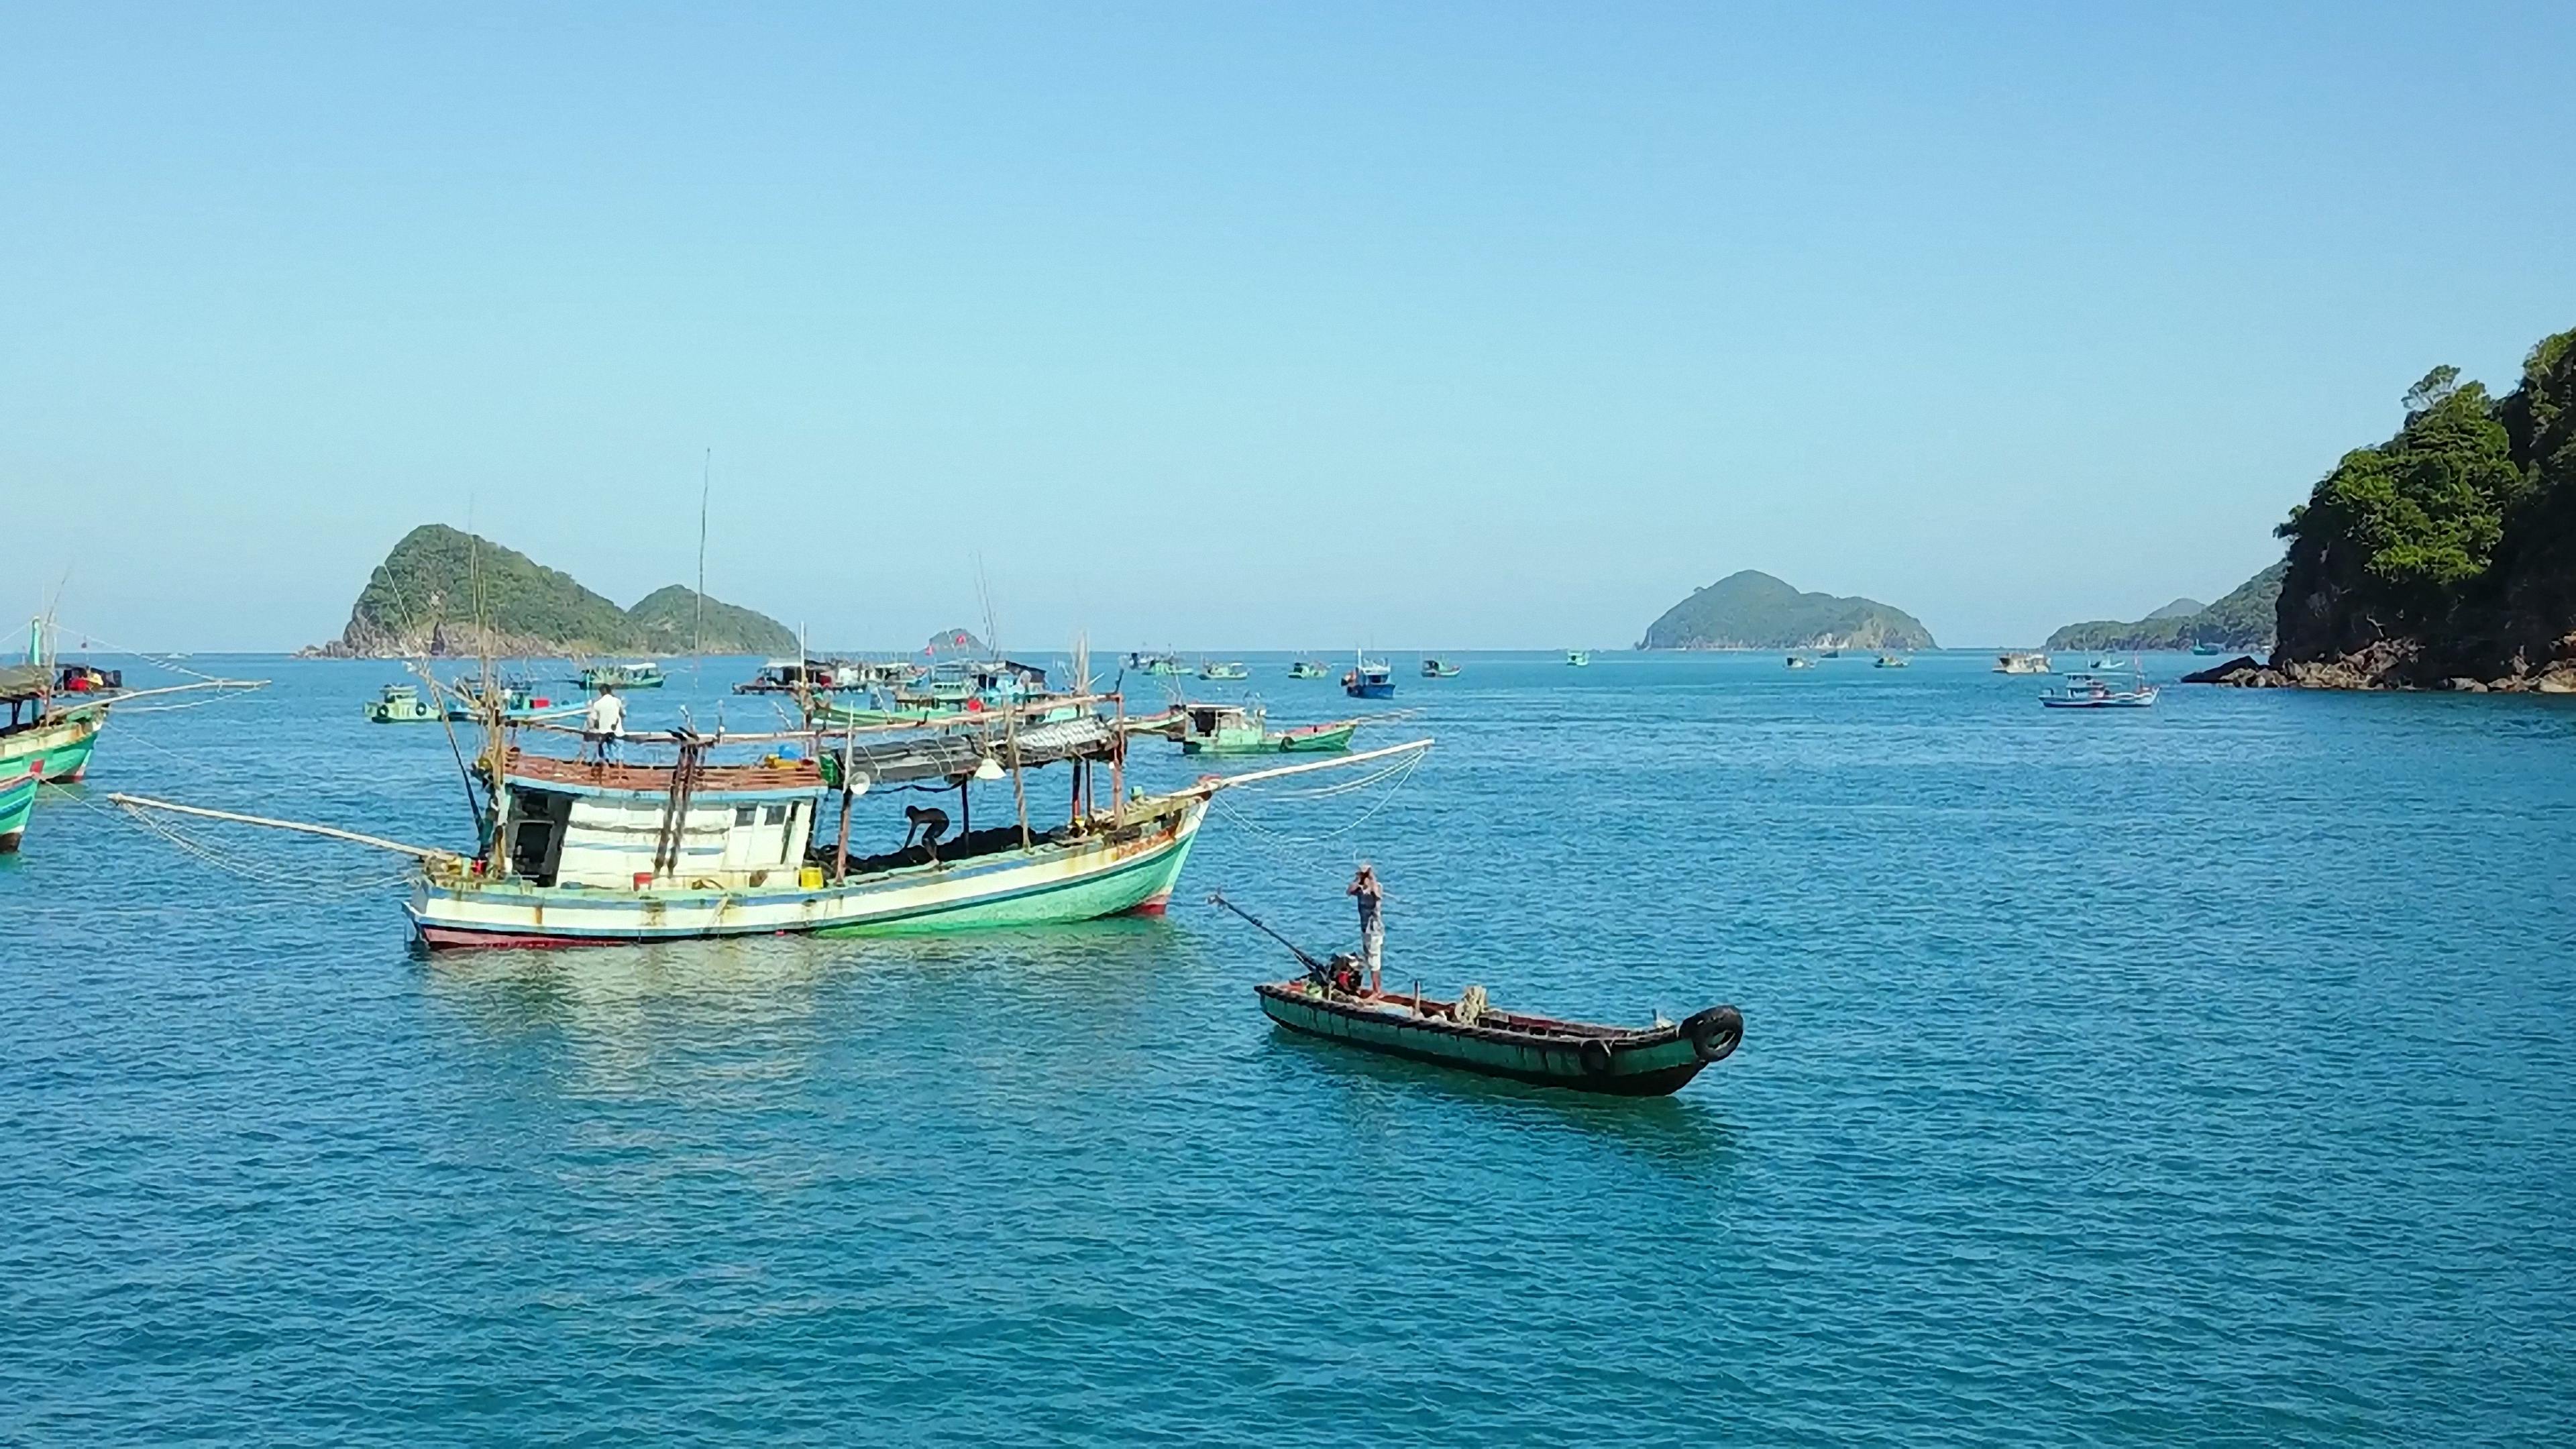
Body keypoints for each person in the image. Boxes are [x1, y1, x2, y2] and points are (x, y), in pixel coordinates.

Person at [1347, 861, 1385, 994]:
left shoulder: (1377, 887)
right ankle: (1372, 989)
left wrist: (1371, 877)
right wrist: (1359, 879)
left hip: (1374, 931)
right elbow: (1349, 891)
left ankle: (1377, 991)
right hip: (1365, 930)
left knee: (1375, 962)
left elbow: (1377, 894)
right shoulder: (1360, 890)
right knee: (1368, 959)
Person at [582, 684, 625, 765]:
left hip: (603, 732)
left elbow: (595, 720)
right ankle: (619, 770)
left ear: (601, 693)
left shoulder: (597, 704)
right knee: (619, 753)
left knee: (603, 754)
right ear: (610, 691)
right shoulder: (617, 701)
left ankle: (605, 769)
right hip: (617, 731)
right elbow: (623, 714)